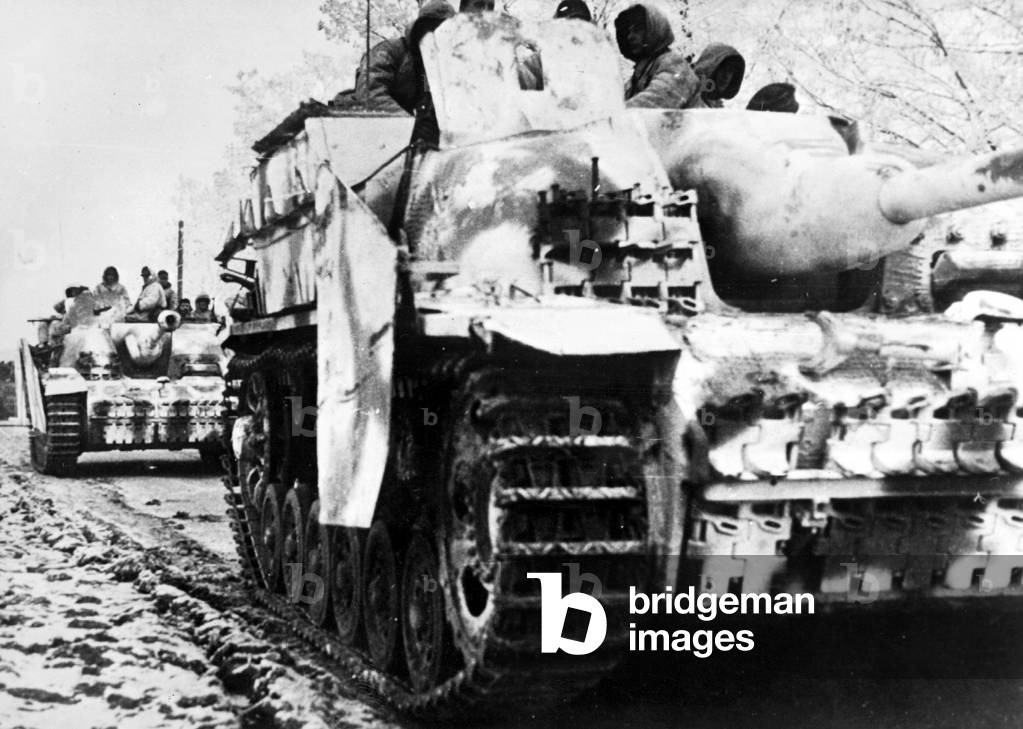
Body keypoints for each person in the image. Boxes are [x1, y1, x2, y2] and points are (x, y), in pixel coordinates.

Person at [344, 1, 457, 115]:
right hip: (359, 119)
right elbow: (370, 94)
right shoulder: (389, 51)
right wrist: (407, 121)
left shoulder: (440, 64)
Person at [614, 3, 702, 109]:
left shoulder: (674, 63)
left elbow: (655, 101)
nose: (630, 37)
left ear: (652, 30)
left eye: (637, 30)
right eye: (629, 31)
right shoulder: (638, 76)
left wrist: (613, 113)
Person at [692, 43, 745, 108]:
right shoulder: (689, 91)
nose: (726, 76)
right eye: (723, 68)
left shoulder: (718, 109)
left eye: (730, 71)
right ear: (713, 68)